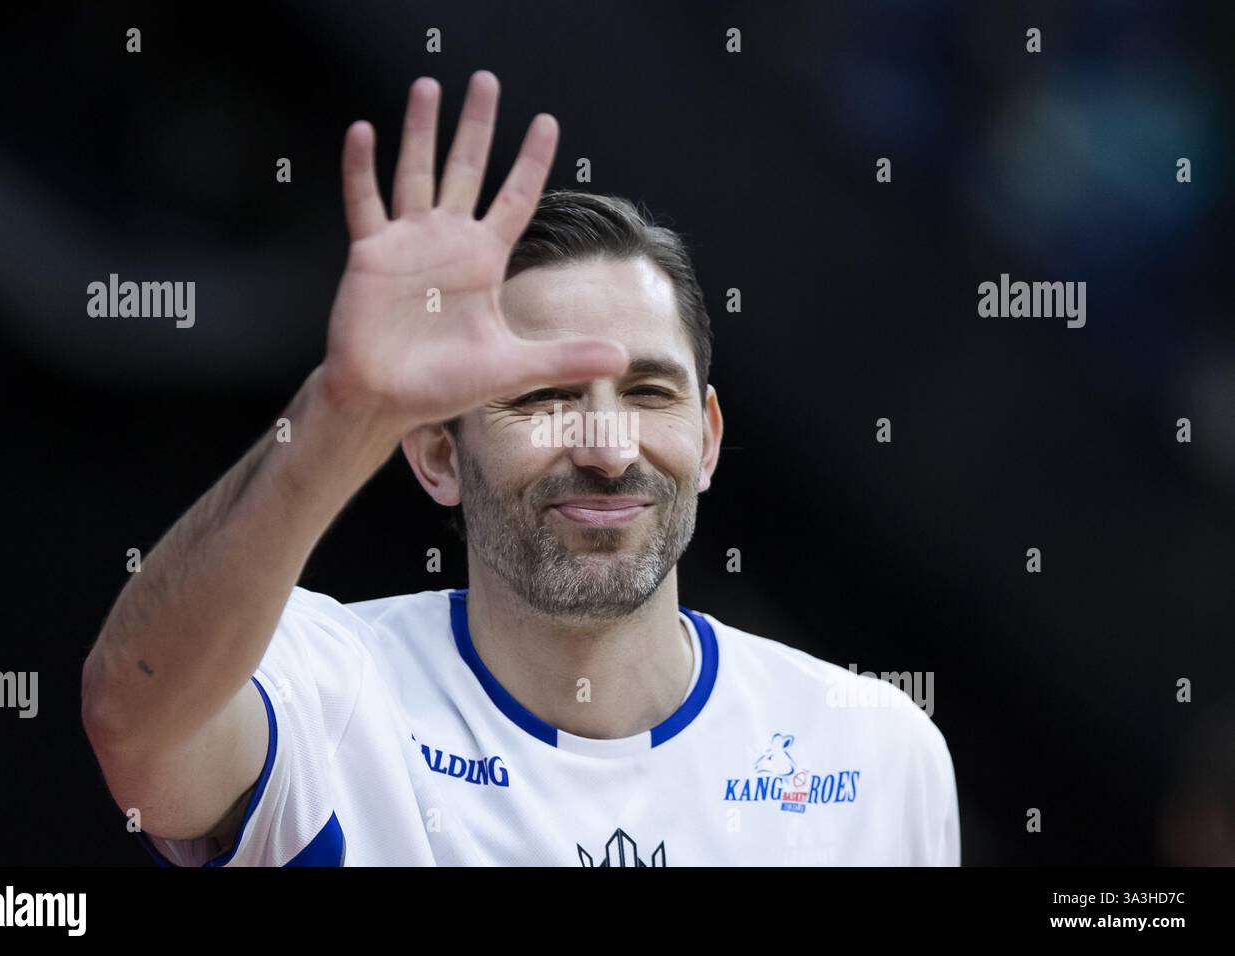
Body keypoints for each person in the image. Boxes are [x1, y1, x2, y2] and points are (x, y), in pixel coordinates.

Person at [81, 70, 960, 866]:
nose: (609, 449)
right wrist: (340, 411)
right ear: (436, 455)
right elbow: (136, 730)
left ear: (710, 439)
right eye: (542, 398)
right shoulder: (332, 690)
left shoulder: (874, 753)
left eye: (650, 392)